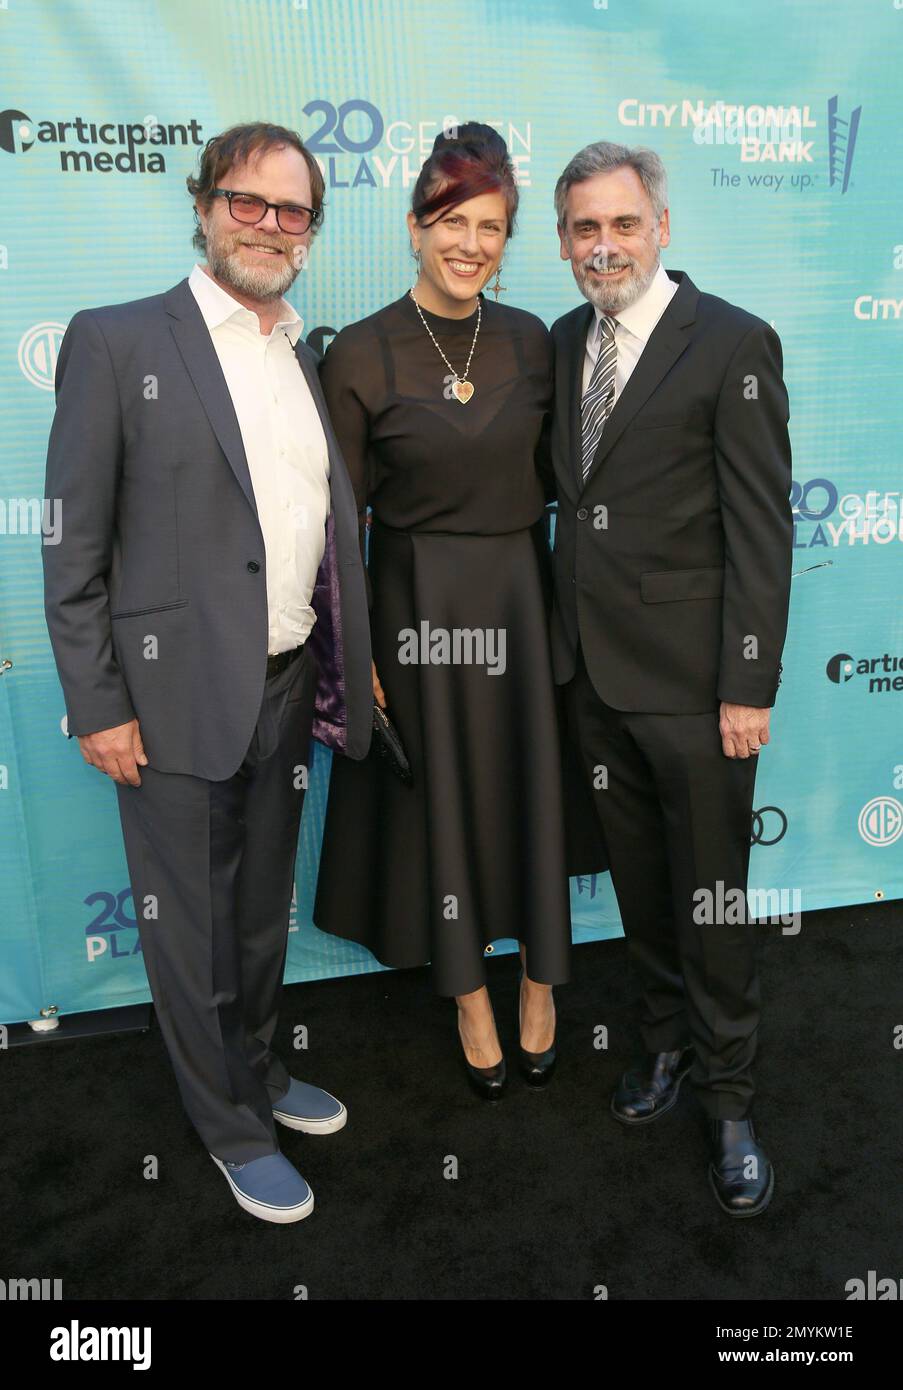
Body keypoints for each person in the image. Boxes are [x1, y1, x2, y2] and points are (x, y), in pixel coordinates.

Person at [41, 122, 373, 1225]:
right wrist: (98, 703)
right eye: (250, 202)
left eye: (294, 212)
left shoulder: (302, 358)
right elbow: (74, 545)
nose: (271, 226)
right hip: (168, 694)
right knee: (189, 927)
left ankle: (262, 1071)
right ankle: (229, 1126)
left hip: (287, 685)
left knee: (259, 916)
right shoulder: (118, 340)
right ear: (204, 205)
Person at [313, 123, 602, 1098]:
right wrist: (362, 662)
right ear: (414, 226)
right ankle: (468, 990)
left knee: (528, 796)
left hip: (521, 606)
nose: (470, 242)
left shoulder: (538, 341)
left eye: (490, 225)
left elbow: (580, 487)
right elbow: (333, 533)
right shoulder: (356, 353)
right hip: (416, 617)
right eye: (451, 221)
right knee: (444, 803)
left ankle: (537, 981)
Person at [548, 141, 792, 1216]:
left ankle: (732, 1097)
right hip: (592, 681)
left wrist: (746, 686)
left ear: (662, 228)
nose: (604, 246)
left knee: (712, 902)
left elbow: (761, 529)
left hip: (698, 693)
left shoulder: (733, 341)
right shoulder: (563, 343)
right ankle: (664, 1051)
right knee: (646, 896)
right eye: (582, 229)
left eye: (622, 224)